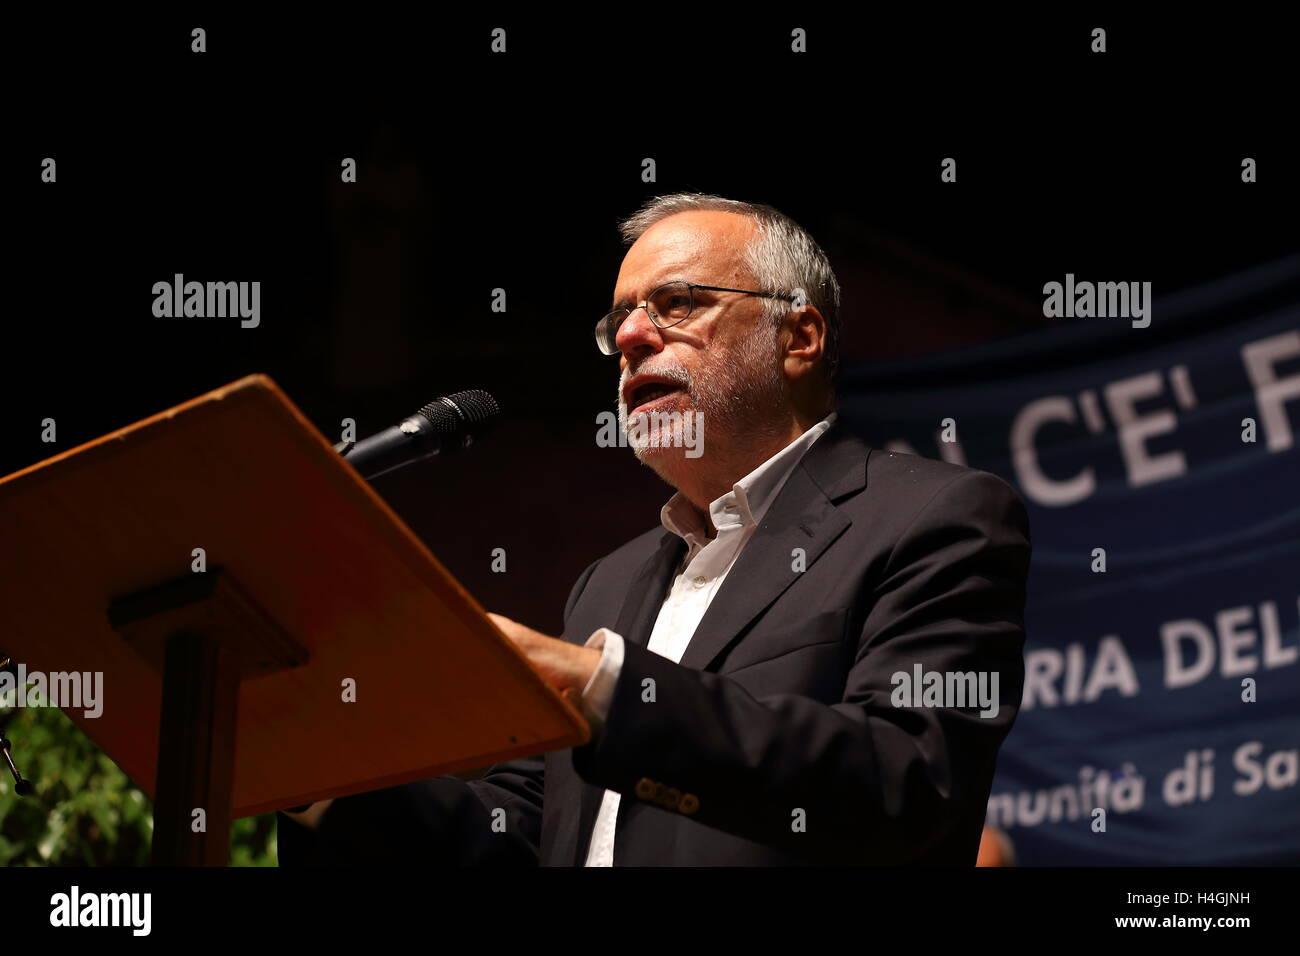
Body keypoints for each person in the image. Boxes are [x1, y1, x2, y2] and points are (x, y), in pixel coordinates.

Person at [279, 192, 1032, 865]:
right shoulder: (607, 582)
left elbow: (910, 784)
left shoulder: (934, 518)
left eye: (675, 303)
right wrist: (318, 775)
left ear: (799, 337)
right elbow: (522, 834)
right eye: (619, 321)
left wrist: (604, 689)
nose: (632, 336)